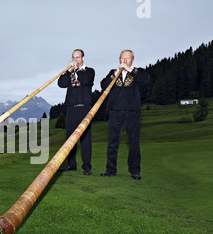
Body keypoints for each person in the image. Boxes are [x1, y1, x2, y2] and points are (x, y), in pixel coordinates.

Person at [100, 49, 150, 180]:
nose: (125, 61)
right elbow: (103, 86)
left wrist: (130, 69)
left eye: (127, 58)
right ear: (119, 60)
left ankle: (134, 171)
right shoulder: (113, 73)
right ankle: (110, 169)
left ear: (132, 60)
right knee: (112, 142)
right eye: (123, 58)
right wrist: (115, 73)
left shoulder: (137, 72)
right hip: (114, 111)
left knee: (133, 142)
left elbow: (146, 80)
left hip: (131, 112)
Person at [57, 49, 95, 175]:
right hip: (71, 108)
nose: (75, 60)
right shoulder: (70, 72)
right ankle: (71, 165)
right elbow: (61, 83)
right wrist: (68, 71)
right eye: (74, 57)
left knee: (85, 138)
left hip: (84, 107)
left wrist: (76, 70)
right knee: (70, 138)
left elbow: (85, 81)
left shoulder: (89, 71)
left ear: (83, 58)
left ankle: (87, 167)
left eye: (78, 57)